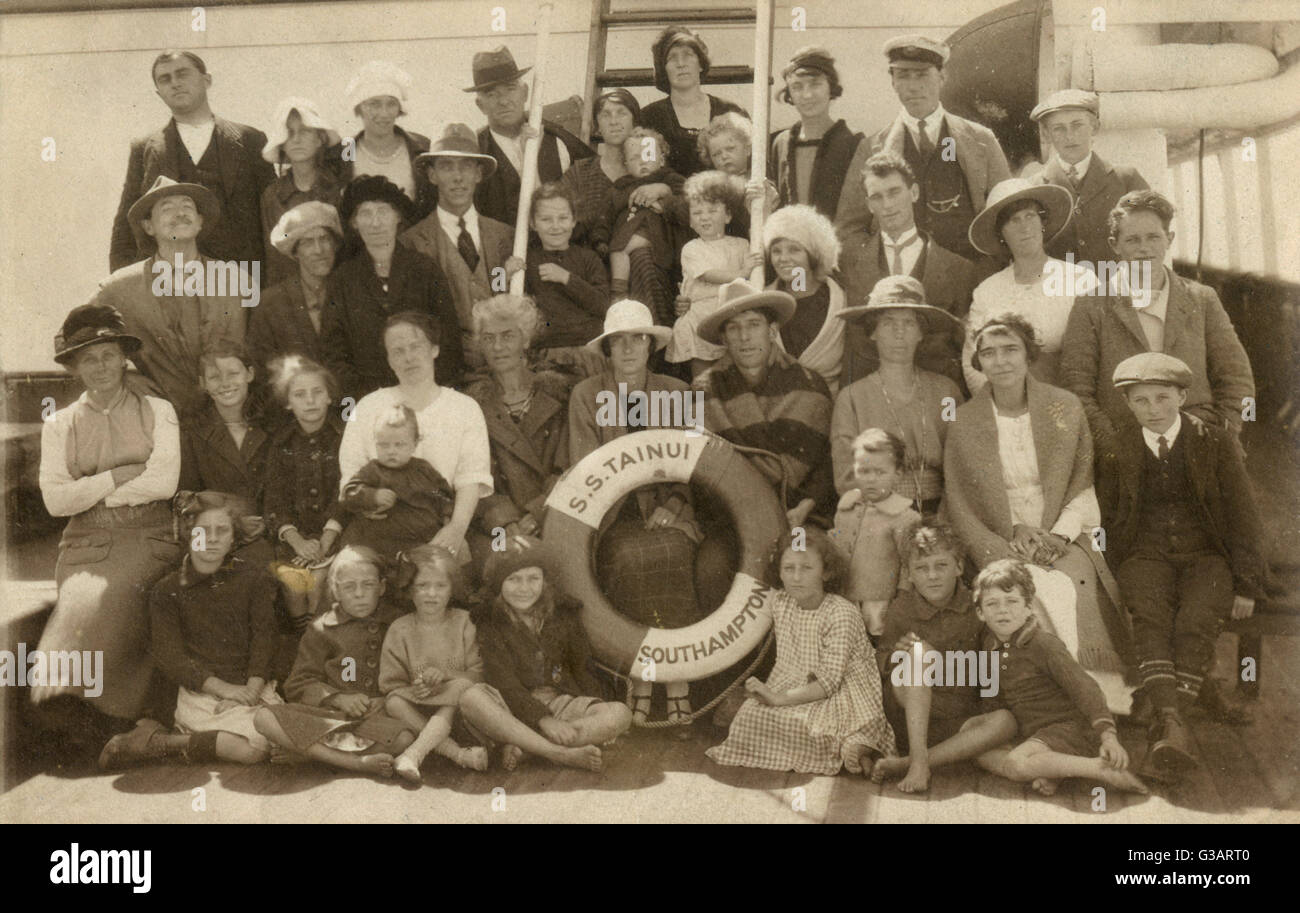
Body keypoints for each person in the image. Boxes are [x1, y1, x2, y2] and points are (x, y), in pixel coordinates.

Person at [1097, 353, 1265, 779]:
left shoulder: (1214, 441)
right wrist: (1118, 569)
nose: (1153, 409)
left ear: (1183, 396)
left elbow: (1243, 515)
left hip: (1206, 555)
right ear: (1128, 404)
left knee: (1196, 618)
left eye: (1162, 398)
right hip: (1145, 554)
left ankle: (1166, 718)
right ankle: (1174, 721)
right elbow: (1109, 515)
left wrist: (1245, 585)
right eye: (1141, 401)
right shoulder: (1118, 445)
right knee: (1150, 618)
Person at [944, 314, 1133, 692]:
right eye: (989, 353)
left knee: (1070, 584)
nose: (1001, 361)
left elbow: (1082, 480)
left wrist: (1058, 536)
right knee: (1028, 587)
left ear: (1029, 354)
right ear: (978, 362)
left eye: (1011, 349)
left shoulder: (1064, 407)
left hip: (1066, 529)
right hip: (1000, 532)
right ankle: (1049, 693)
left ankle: (1099, 692)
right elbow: (960, 499)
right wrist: (1010, 534)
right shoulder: (963, 421)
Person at [33, 305, 181, 753]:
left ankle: (114, 715)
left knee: (122, 589)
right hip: (87, 540)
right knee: (81, 591)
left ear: (124, 359)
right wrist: (119, 476)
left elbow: (164, 481)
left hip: (152, 531)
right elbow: (56, 501)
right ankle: (76, 710)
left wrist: (90, 488)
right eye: (88, 358)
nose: (100, 367)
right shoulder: (59, 426)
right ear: (75, 368)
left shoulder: (158, 409)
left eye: (108, 355)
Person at [569, 299, 703, 730]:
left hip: (671, 511)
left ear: (651, 345)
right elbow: (584, 469)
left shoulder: (677, 393)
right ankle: (642, 678)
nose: (628, 349)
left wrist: (674, 505)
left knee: (675, 551)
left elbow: (697, 465)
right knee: (630, 556)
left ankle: (676, 680)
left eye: (637, 339)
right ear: (607, 349)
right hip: (611, 515)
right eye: (619, 341)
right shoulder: (587, 395)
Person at [1059, 189, 1255, 459]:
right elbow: (1076, 388)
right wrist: (1114, 446)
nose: (1144, 248)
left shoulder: (1203, 299)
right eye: (1132, 240)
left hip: (1200, 442)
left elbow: (1237, 378)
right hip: (1123, 451)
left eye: (1153, 237)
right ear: (1114, 245)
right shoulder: (1091, 306)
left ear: (1169, 239)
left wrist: (1221, 434)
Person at [707, 528, 896, 775]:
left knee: (822, 724)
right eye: (789, 569)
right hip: (796, 686)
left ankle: (857, 748)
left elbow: (828, 682)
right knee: (750, 716)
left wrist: (778, 699)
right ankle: (852, 753)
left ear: (826, 572)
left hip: (841, 691)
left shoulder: (841, 612)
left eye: (806, 568)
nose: (797, 577)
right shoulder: (781, 603)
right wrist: (769, 694)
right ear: (780, 573)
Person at [114, 495, 283, 768]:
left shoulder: (254, 579)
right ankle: (165, 742)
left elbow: (265, 638)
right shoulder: (168, 590)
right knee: (254, 750)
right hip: (202, 692)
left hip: (252, 687)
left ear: (233, 537)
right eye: (203, 531)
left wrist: (251, 689)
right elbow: (172, 658)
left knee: (276, 741)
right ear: (188, 533)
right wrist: (224, 690)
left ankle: (186, 739)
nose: (212, 539)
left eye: (222, 531)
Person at [971, 560, 1148, 796]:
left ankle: (1098, 769)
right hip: (1036, 733)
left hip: (1071, 728)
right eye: (992, 604)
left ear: (1028, 607)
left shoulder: (1044, 644)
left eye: (1012, 601)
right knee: (979, 749)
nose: (1003, 610)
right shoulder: (989, 647)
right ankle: (1054, 768)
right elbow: (992, 698)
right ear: (981, 612)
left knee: (1014, 764)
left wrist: (1108, 736)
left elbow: (1086, 689)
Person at [458, 535, 632, 771]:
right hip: (509, 708)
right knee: (471, 698)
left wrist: (596, 710)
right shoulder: (489, 622)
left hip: (559, 702)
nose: (524, 589)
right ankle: (559, 753)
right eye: (514, 580)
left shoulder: (563, 614)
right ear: (500, 584)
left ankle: (528, 748)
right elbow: (504, 682)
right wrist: (544, 720)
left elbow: (581, 666)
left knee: (619, 713)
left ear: (544, 581)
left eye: (533, 579)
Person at [870, 526, 1019, 793]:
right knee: (918, 654)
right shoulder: (901, 609)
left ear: (959, 566)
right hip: (910, 716)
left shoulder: (978, 607)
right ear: (910, 575)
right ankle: (918, 760)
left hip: (956, 715)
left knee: (1005, 722)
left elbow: (990, 672)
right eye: (922, 568)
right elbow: (880, 661)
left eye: (941, 565)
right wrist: (898, 655)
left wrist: (940, 660)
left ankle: (911, 763)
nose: (933, 576)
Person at [337, 312, 492, 568]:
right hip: (376, 529)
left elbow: (471, 479)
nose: (408, 357)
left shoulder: (464, 408)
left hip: (438, 526)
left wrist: (455, 529)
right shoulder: (368, 407)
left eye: (415, 347)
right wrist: (368, 502)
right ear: (388, 360)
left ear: (434, 349)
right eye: (397, 351)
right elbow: (351, 473)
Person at [253, 546, 416, 779]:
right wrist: (338, 698)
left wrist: (388, 700)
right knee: (264, 717)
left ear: (381, 587)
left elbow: (411, 674)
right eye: (349, 586)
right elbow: (298, 683)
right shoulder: (322, 628)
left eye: (368, 585)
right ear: (335, 591)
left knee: (405, 737)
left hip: (376, 721)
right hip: (328, 719)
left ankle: (309, 755)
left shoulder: (397, 623)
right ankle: (355, 763)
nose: (359, 593)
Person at [110, 50, 275, 274]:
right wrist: (123, 290)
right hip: (169, 282)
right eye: (165, 79)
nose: (175, 83)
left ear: (207, 80)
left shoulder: (250, 140)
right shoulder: (143, 148)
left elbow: (271, 219)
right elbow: (126, 226)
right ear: (159, 93)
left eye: (182, 74)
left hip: (242, 278)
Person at [97, 176, 249, 414]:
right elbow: (70, 341)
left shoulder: (237, 280)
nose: (180, 213)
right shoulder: (120, 287)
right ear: (149, 227)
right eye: (167, 208)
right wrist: (123, 379)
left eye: (187, 206)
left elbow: (265, 345)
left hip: (228, 419)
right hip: (159, 422)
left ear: (199, 222)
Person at [695, 279, 836, 529]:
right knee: (711, 567)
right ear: (724, 338)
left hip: (801, 518)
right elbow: (698, 467)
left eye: (753, 324)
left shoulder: (810, 384)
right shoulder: (704, 390)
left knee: (803, 560)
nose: (744, 337)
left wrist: (807, 505)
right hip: (734, 521)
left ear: (772, 330)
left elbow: (826, 463)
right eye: (733, 328)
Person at [868, 36, 1010, 262]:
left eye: (923, 74)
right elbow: (857, 225)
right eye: (903, 76)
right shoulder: (873, 147)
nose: (913, 86)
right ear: (892, 82)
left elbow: (1007, 213)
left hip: (970, 276)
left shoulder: (981, 140)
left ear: (942, 77)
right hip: (904, 276)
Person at [839, 153, 975, 390]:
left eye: (894, 192)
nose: (887, 205)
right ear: (869, 205)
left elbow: (965, 352)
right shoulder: (849, 265)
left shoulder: (959, 270)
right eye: (877, 197)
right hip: (872, 395)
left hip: (937, 398)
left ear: (914, 193)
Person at [831, 276, 964, 516]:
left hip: (943, 512)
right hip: (876, 513)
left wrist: (946, 515)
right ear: (873, 332)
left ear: (921, 333)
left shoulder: (946, 392)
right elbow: (846, 476)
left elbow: (961, 462)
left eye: (909, 323)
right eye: (888, 322)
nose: (899, 333)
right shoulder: (851, 398)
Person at [322, 175, 464, 399]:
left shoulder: (425, 269)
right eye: (366, 213)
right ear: (354, 222)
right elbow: (334, 353)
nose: (375, 222)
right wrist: (369, 399)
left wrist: (429, 391)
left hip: (428, 394)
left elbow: (449, 340)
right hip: (369, 400)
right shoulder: (342, 279)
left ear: (398, 216)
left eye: (383, 211)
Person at [465, 294, 572, 559]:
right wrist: (506, 522)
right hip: (499, 526)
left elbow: (569, 466)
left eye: (507, 336)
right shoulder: (471, 405)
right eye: (489, 338)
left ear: (525, 339)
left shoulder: (560, 394)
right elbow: (471, 474)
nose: (498, 346)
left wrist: (537, 513)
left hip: (557, 515)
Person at [963, 178, 1096, 391]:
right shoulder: (988, 291)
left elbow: (1097, 355)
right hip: (1006, 405)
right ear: (1001, 233)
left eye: (1030, 216)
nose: (1025, 227)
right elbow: (972, 363)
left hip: (1071, 399)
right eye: (1014, 220)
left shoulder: (1080, 280)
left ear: (1042, 223)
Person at [400, 122, 515, 365]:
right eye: (446, 166)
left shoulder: (505, 236)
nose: (458, 177)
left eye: (466, 166)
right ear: (432, 175)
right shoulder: (412, 243)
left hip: (502, 362)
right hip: (446, 365)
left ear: (478, 174)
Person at [381, 546, 490, 780]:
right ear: (410, 590)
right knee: (393, 703)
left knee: (460, 689)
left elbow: (479, 675)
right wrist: (417, 687)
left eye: (440, 586)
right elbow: (390, 685)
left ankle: (416, 753)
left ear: (452, 589)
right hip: (419, 713)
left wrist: (446, 676)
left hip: (463, 713)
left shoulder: (464, 622)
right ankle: (458, 754)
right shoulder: (399, 629)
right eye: (422, 586)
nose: (432, 593)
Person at [468, 46, 594, 226]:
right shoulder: (474, 153)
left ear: (525, 93)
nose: (503, 101)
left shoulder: (558, 142)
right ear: (480, 105)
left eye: (510, 89)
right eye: (492, 94)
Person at [263, 356, 346, 623]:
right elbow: (275, 498)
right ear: (288, 403)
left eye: (317, 392)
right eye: (300, 395)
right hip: (295, 538)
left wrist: (326, 539)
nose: (310, 401)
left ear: (329, 397)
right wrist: (296, 540)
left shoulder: (344, 437)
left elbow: (345, 493)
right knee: (293, 584)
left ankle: (318, 634)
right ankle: (301, 636)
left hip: (334, 534)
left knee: (321, 581)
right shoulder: (281, 443)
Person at [1030, 89, 1149, 270]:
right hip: (1060, 291)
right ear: (1046, 134)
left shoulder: (1126, 179)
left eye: (1077, 125)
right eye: (1058, 128)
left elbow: (1148, 237)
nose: (1069, 136)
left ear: (1094, 127)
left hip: (1116, 289)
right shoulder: (1034, 186)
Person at [769, 47, 871, 246]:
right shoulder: (780, 143)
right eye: (797, 87)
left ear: (830, 87)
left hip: (839, 255)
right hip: (792, 256)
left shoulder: (854, 143)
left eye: (815, 85)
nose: (807, 95)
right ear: (789, 93)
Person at [830, 429, 922, 636]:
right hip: (845, 597)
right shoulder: (846, 508)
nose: (871, 479)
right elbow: (837, 543)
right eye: (864, 471)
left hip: (881, 601)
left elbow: (909, 565)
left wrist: (902, 600)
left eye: (880, 472)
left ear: (897, 475)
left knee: (880, 642)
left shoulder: (905, 517)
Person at [338, 403, 455, 560]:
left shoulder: (424, 470)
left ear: (415, 444)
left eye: (399, 444)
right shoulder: (372, 470)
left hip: (422, 543)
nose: (391, 451)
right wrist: (373, 496)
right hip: (379, 545)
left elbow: (444, 495)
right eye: (383, 445)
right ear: (375, 443)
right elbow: (347, 494)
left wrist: (447, 518)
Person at [668, 170, 756, 375]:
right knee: (703, 375)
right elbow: (709, 274)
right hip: (700, 317)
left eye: (712, 210)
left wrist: (746, 272)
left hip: (730, 314)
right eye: (697, 213)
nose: (704, 217)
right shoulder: (692, 248)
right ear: (690, 221)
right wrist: (741, 273)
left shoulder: (742, 245)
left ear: (727, 215)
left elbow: (753, 277)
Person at [521, 182, 610, 375]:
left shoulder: (588, 258)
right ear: (533, 223)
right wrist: (504, 272)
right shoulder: (526, 259)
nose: (555, 226)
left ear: (573, 220)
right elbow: (498, 291)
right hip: (545, 355)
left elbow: (603, 306)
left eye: (563, 218)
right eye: (546, 219)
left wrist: (567, 279)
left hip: (588, 351)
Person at [640, 27, 747, 178]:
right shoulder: (649, 117)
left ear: (701, 64)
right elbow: (644, 173)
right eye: (672, 58)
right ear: (663, 69)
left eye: (688, 55)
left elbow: (753, 166)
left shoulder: (730, 112)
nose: (681, 64)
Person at [248, 201, 343, 371]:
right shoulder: (271, 303)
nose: (319, 250)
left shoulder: (349, 291)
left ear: (334, 245)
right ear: (295, 252)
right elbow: (262, 367)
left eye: (324, 239)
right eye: (307, 243)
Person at [178, 340, 271, 513]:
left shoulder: (272, 425)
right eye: (214, 377)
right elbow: (186, 497)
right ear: (203, 383)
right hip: (219, 530)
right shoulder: (193, 433)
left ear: (249, 374)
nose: (225, 383)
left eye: (233, 373)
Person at [333, 61, 433, 220]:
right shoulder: (346, 149)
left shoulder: (420, 148)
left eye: (391, 104)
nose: (384, 113)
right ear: (360, 107)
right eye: (374, 104)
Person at [763, 203, 847, 393]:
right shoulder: (764, 301)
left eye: (794, 250)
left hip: (829, 402)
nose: (783, 258)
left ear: (814, 254)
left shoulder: (838, 300)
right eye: (776, 251)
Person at [605, 128, 686, 323]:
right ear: (625, 164)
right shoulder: (621, 186)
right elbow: (605, 216)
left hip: (660, 240)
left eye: (648, 154)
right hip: (627, 235)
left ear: (662, 159)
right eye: (634, 158)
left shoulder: (671, 179)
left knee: (621, 247)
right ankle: (619, 291)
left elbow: (687, 202)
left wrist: (664, 193)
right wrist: (600, 238)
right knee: (618, 248)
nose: (642, 161)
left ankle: (619, 291)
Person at [259, 98, 343, 285]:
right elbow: (274, 260)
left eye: (305, 131)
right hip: (291, 294)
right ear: (282, 143)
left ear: (320, 139)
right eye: (289, 133)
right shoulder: (272, 196)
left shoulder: (338, 189)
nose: (296, 139)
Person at [563, 89, 641, 250]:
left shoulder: (648, 170)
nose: (614, 121)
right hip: (587, 264)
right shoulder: (580, 172)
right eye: (606, 115)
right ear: (597, 126)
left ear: (635, 122)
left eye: (622, 113)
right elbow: (552, 209)